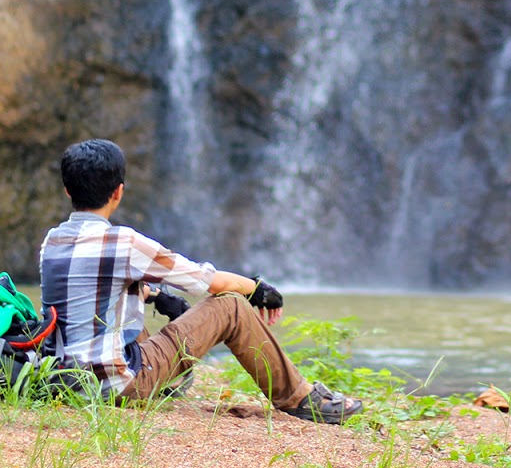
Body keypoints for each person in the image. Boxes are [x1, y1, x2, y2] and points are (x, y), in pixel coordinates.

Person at [39, 138, 361, 423]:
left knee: (127, 310)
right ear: (118, 192)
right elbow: (206, 281)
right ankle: (300, 397)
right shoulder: (124, 244)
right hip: (116, 387)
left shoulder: (51, 242)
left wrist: (156, 296)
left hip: (63, 380)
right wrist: (258, 289)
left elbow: (93, 288)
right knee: (232, 307)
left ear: (68, 189)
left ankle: (169, 381)